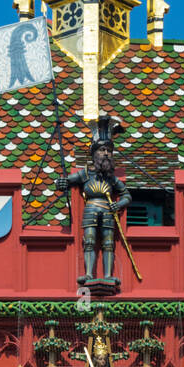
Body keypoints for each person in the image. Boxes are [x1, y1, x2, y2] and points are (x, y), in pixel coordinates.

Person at [66, 115, 132, 285]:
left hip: (108, 211)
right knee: (89, 241)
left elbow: (126, 195)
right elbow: (69, 180)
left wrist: (119, 204)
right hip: (90, 209)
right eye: (102, 150)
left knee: (109, 243)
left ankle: (108, 275)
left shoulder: (111, 178)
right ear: (94, 153)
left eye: (109, 151)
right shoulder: (86, 173)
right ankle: (89, 274)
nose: (106, 154)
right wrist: (62, 182)